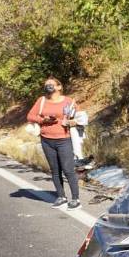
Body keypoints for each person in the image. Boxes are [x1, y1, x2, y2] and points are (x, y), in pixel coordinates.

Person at [26, 77, 81, 209]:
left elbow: (79, 117)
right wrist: (43, 120)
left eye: (51, 84)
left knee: (68, 170)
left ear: (59, 87)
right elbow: (30, 116)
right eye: (46, 85)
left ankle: (75, 199)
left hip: (64, 139)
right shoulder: (42, 100)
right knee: (55, 170)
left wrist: (72, 122)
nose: (48, 87)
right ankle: (61, 196)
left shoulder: (68, 101)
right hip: (46, 139)